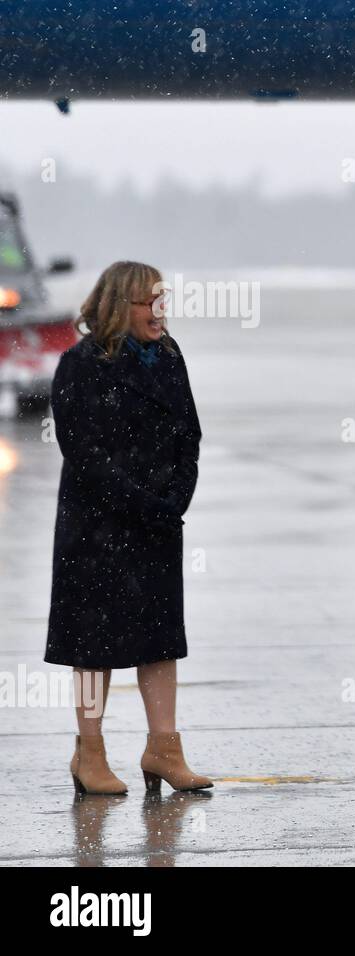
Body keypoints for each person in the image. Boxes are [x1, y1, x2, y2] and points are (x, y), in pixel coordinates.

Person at [45, 260, 212, 795]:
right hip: (97, 527)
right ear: (120, 306)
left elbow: (190, 434)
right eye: (150, 302)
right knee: (92, 647)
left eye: (165, 300)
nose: (161, 312)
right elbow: (85, 455)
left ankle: (164, 749)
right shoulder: (79, 363)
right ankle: (89, 754)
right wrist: (144, 505)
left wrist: (174, 499)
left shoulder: (169, 355)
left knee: (160, 641)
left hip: (158, 521)